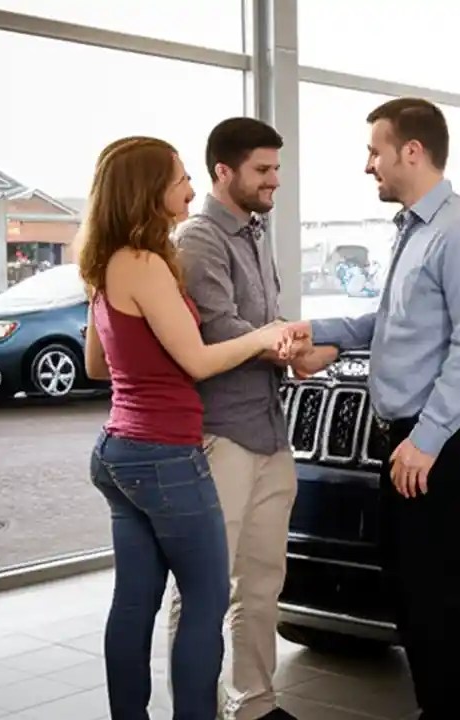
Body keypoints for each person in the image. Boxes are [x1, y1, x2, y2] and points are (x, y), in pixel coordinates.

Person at [283, 97, 460, 719]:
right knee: (411, 593)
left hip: (442, 444)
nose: (368, 166)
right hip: (406, 438)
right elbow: (391, 322)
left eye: (374, 152)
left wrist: (427, 439)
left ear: (412, 151)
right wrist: (322, 335)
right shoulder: (415, 230)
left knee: (438, 599)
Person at [78, 136, 290, 720]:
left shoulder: (104, 263)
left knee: (135, 600)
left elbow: (98, 365)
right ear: (150, 191)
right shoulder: (144, 264)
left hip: (117, 451)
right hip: (164, 454)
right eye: (179, 181)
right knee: (205, 600)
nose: (191, 190)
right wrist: (268, 334)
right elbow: (198, 360)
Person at [170, 117, 298, 720]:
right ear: (225, 171)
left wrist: (289, 344)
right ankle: (197, 708)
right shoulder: (199, 240)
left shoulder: (255, 232)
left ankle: (256, 705)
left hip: (270, 433)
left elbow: (266, 325)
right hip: (221, 436)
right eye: (264, 170)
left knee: (262, 582)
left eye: (276, 167)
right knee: (204, 587)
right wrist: (287, 343)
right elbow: (221, 330)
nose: (276, 179)